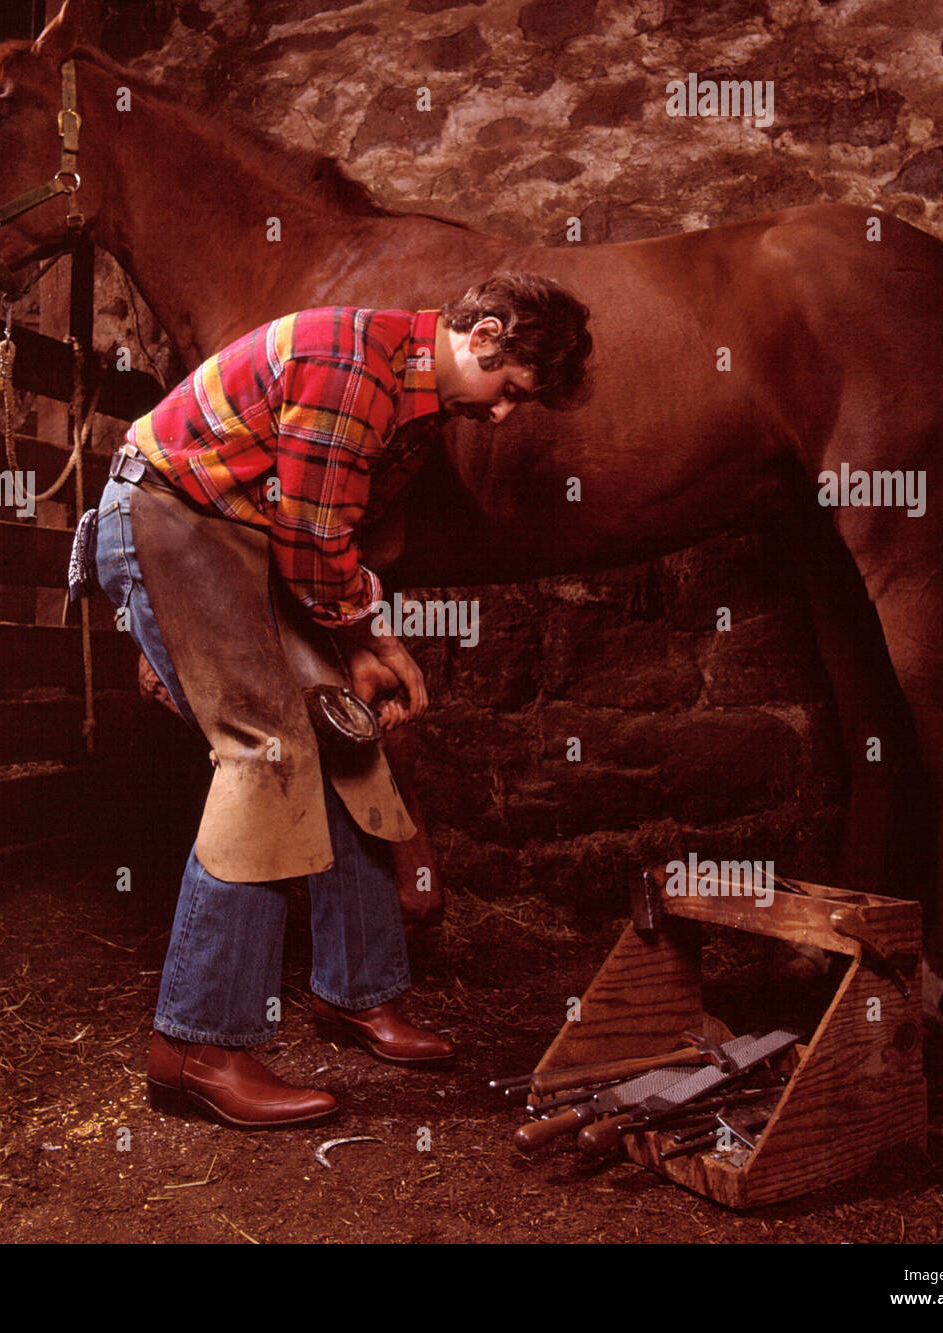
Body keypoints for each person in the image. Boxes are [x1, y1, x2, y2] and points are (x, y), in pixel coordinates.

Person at [93, 272, 592, 1128]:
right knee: (266, 753)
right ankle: (196, 1046)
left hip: (240, 539)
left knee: (348, 743)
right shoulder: (354, 361)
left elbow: (330, 537)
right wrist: (371, 634)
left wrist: (360, 646)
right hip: (169, 519)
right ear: (486, 334)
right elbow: (314, 538)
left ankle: (357, 992)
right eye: (509, 390)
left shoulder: (415, 394)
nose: (505, 414)